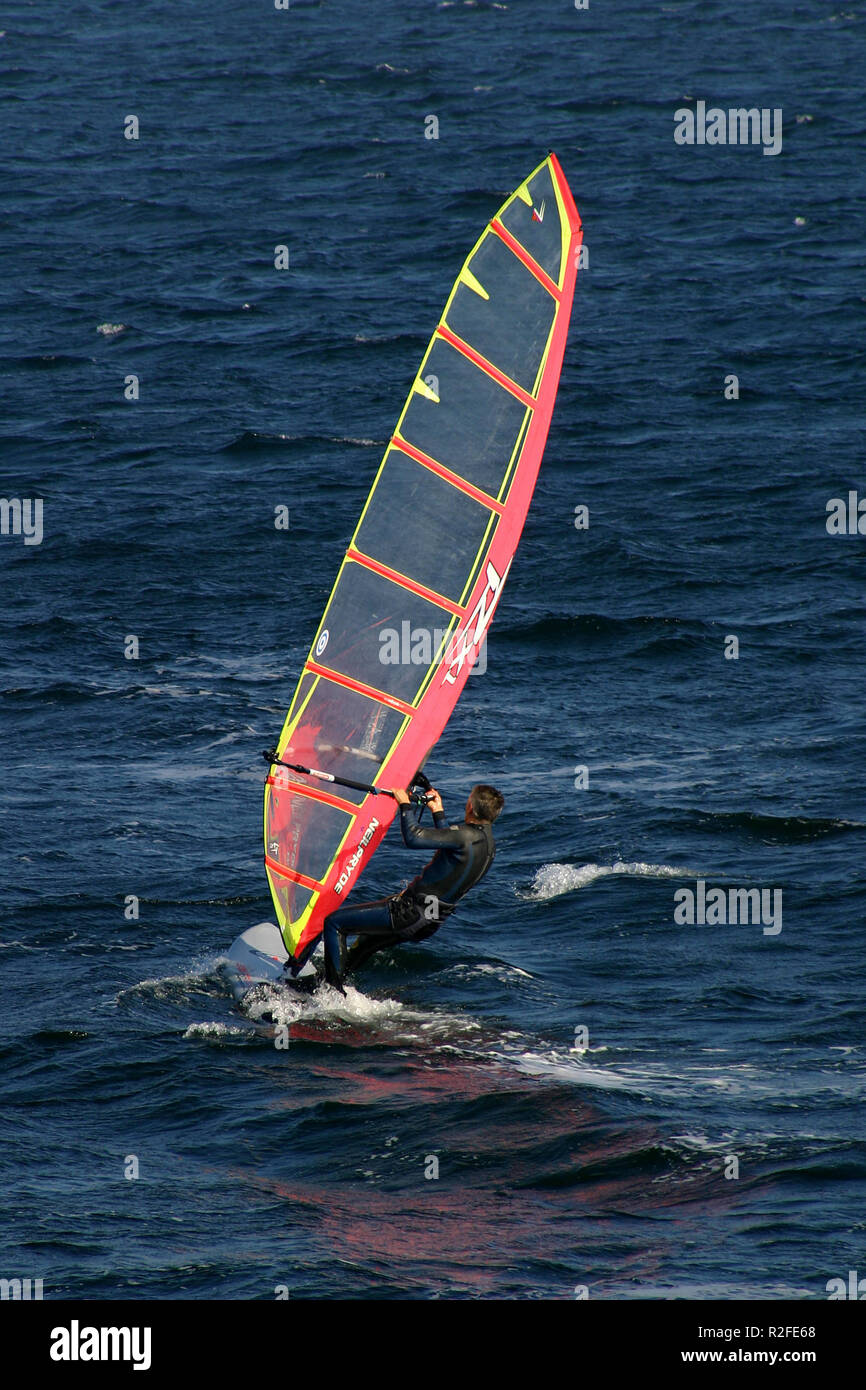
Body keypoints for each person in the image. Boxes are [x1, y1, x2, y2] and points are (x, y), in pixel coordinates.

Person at [321, 782, 505, 992]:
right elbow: (450, 846)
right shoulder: (488, 844)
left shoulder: (466, 835)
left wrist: (405, 805)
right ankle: (334, 983)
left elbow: (413, 838)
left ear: (470, 807)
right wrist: (438, 812)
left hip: (410, 913)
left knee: (334, 923)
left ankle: (330, 993)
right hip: (431, 920)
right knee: (366, 941)